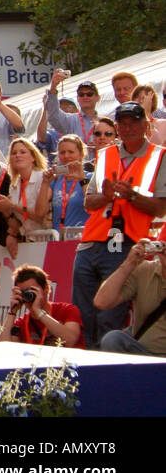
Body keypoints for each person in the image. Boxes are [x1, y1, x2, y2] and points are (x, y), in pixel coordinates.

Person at [72, 101, 166, 349]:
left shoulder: (159, 156)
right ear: (117, 127)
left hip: (128, 243)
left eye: (133, 122)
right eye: (122, 123)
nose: (128, 128)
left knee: (109, 320)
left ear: (146, 125)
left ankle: (108, 377)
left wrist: (132, 196)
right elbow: (89, 202)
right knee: (83, 316)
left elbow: (161, 208)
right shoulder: (105, 155)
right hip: (92, 241)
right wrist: (107, 196)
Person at [94, 239, 166, 355]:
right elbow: (101, 302)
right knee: (113, 339)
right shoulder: (145, 270)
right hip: (143, 354)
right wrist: (129, 263)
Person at [7, 264, 84, 348]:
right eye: (24, 292)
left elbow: (70, 340)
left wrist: (38, 311)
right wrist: (12, 312)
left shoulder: (67, 310)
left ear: (46, 288)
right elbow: (2, 349)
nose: (28, 295)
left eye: (32, 290)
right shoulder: (22, 323)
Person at [43, 71, 102, 151]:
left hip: (98, 162)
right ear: (77, 98)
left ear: (98, 98)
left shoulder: (104, 122)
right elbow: (53, 115)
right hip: (76, 163)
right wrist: (53, 87)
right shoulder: (70, 120)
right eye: (81, 94)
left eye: (89, 94)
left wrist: (102, 146)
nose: (85, 97)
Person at [48, 134, 91, 237]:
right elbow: (40, 212)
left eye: (71, 152)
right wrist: (45, 183)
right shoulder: (56, 180)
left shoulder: (90, 177)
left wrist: (82, 178)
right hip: (58, 240)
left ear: (81, 154)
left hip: (81, 237)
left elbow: (92, 204)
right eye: (62, 152)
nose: (66, 156)